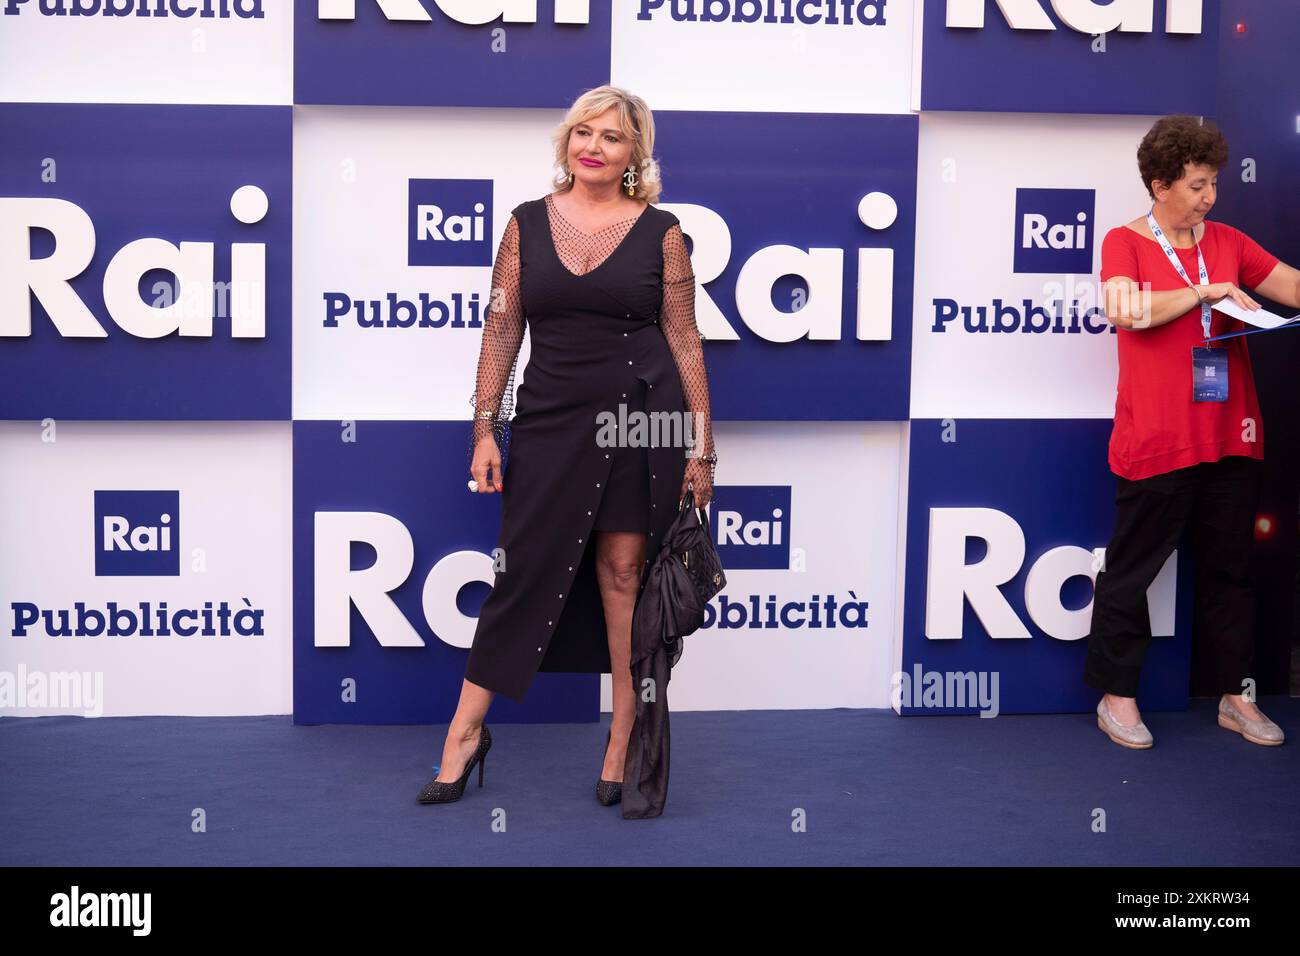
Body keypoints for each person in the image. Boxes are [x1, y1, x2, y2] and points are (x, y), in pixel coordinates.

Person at [417, 86, 717, 804]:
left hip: (643, 421)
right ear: (566, 142)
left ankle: (621, 737)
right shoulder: (524, 224)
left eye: (612, 138)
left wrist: (699, 449)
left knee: (622, 577)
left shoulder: (663, 232)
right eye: (583, 132)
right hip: (551, 421)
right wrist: (484, 427)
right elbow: (501, 330)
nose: (593, 146)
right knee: (520, 574)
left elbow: (684, 339)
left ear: (634, 156)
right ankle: (464, 733)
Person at [1087, 114, 1300, 749]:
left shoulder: (1230, 240)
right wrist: (1203, 294)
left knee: (1231, 572)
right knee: (1131, 571)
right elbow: (1123, 308)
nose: (1210, 197)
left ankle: (1237, 695)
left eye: (1213, 184)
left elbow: (1288, 284)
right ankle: (1116, 697)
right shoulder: (1124, 243)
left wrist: (1224, 285)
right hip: (1157, 439)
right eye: (1198, 185)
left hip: (1231, 435)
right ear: (1161, 186)